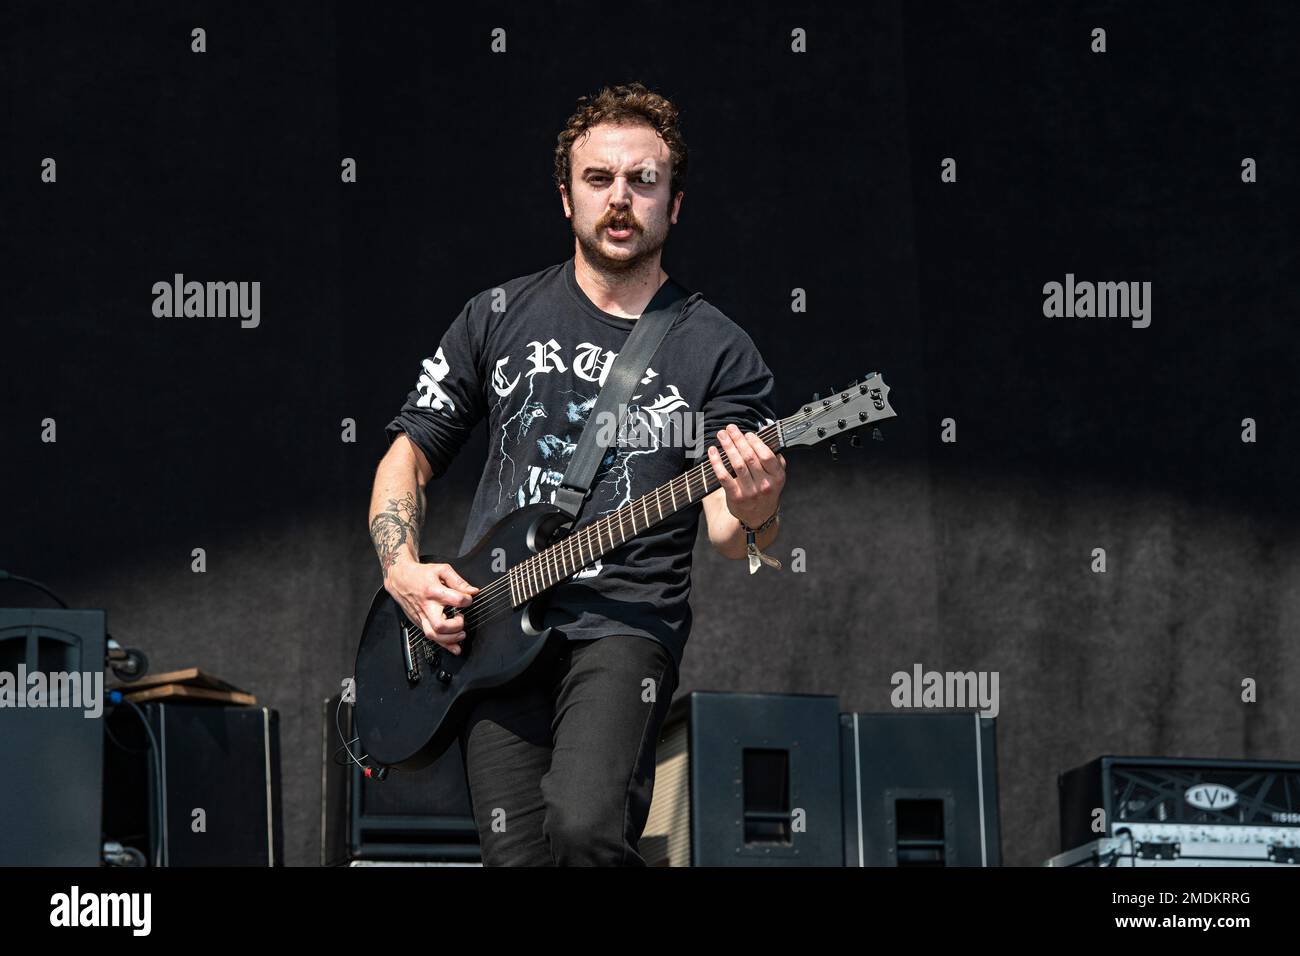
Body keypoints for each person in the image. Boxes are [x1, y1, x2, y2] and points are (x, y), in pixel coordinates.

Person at [367, 81, 786, 865]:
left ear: (675, 202)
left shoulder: (718, 350)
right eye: (599, 180)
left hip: (623, 625)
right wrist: (402, 569)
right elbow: (408, 455)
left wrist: (760, 507)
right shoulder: (495, 315)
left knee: (586, 826)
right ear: (566, 197)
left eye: (643, 180)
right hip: (489, 627)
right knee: (516, 857)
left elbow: (733, 535)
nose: (620, 199)